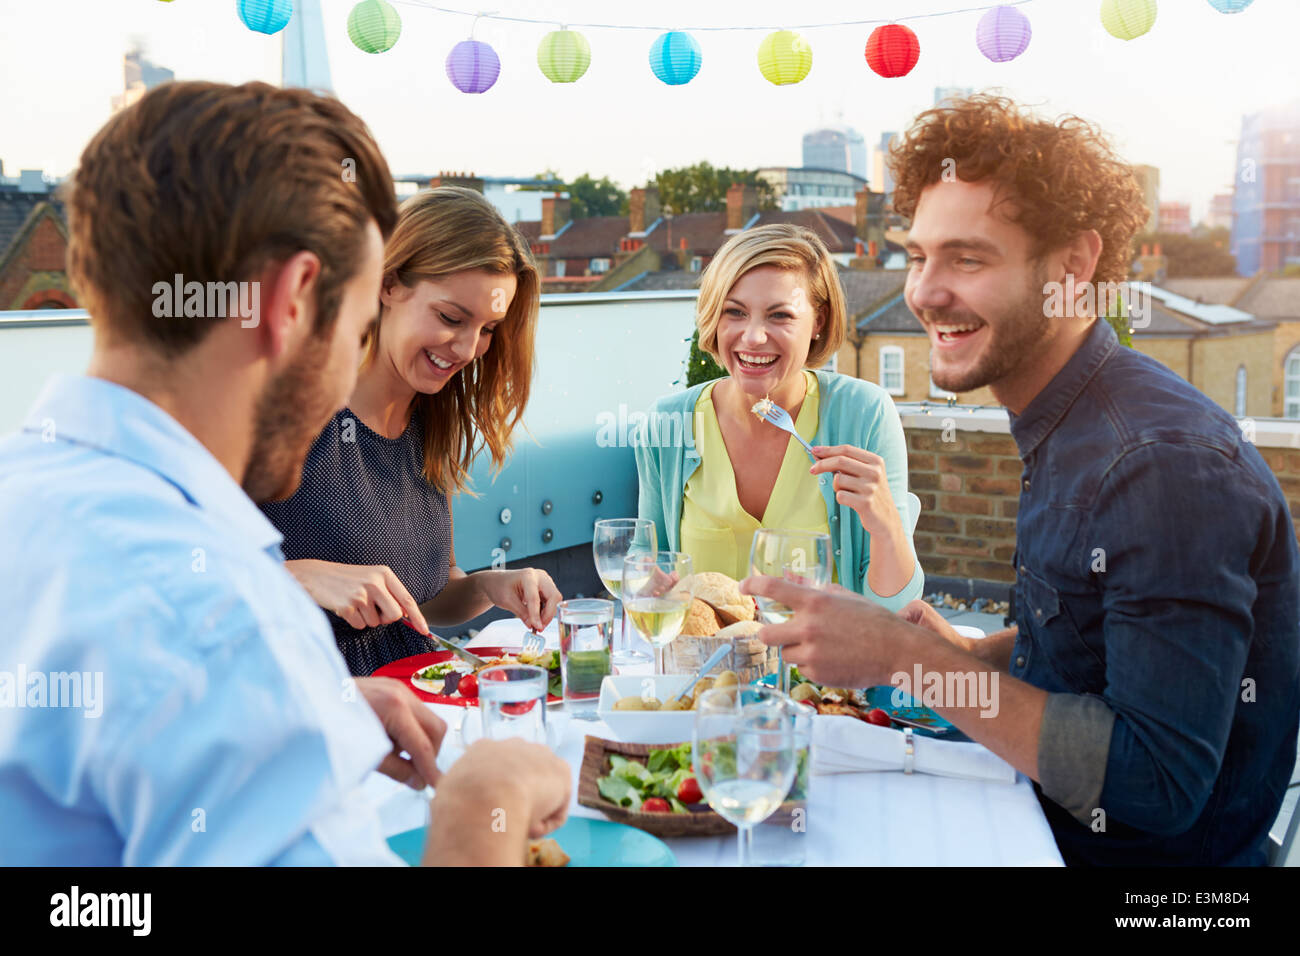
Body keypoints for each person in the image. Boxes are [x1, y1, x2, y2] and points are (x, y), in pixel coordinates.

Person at [0, 80, 569, 865]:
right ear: (292, 300)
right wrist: (487, 798)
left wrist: (320, 705)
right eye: (360, 310)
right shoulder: (221, 612)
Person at [745, 94, 1300, 866]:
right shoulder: (1068, 417)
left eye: (967, 259)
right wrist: (974, 657)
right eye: (917, 255)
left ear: (1072, 267)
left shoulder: (1159, 465)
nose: (925, 292)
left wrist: (910, 662)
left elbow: (1159, 782)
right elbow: (1097, 644)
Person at [260, 187, 562, 676]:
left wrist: (491, 586)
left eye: (487, 329)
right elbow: (183, 576)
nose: (467, 349)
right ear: (389, 283)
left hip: (414, 711)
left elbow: (431, 595)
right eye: (450, 317)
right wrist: (302, 576)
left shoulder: (429, 419)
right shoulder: (285, 404)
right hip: (312, 718)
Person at [633, 223, 923, 608]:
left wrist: (886, 526)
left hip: (823, 667)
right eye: (734, 312)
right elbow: (644, 555)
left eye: (780, 315)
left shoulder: (863, 413)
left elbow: (897, 612)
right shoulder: (668, 422)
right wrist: (644, 582)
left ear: (818, 321)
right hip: (705, 665)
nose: (753, 337)